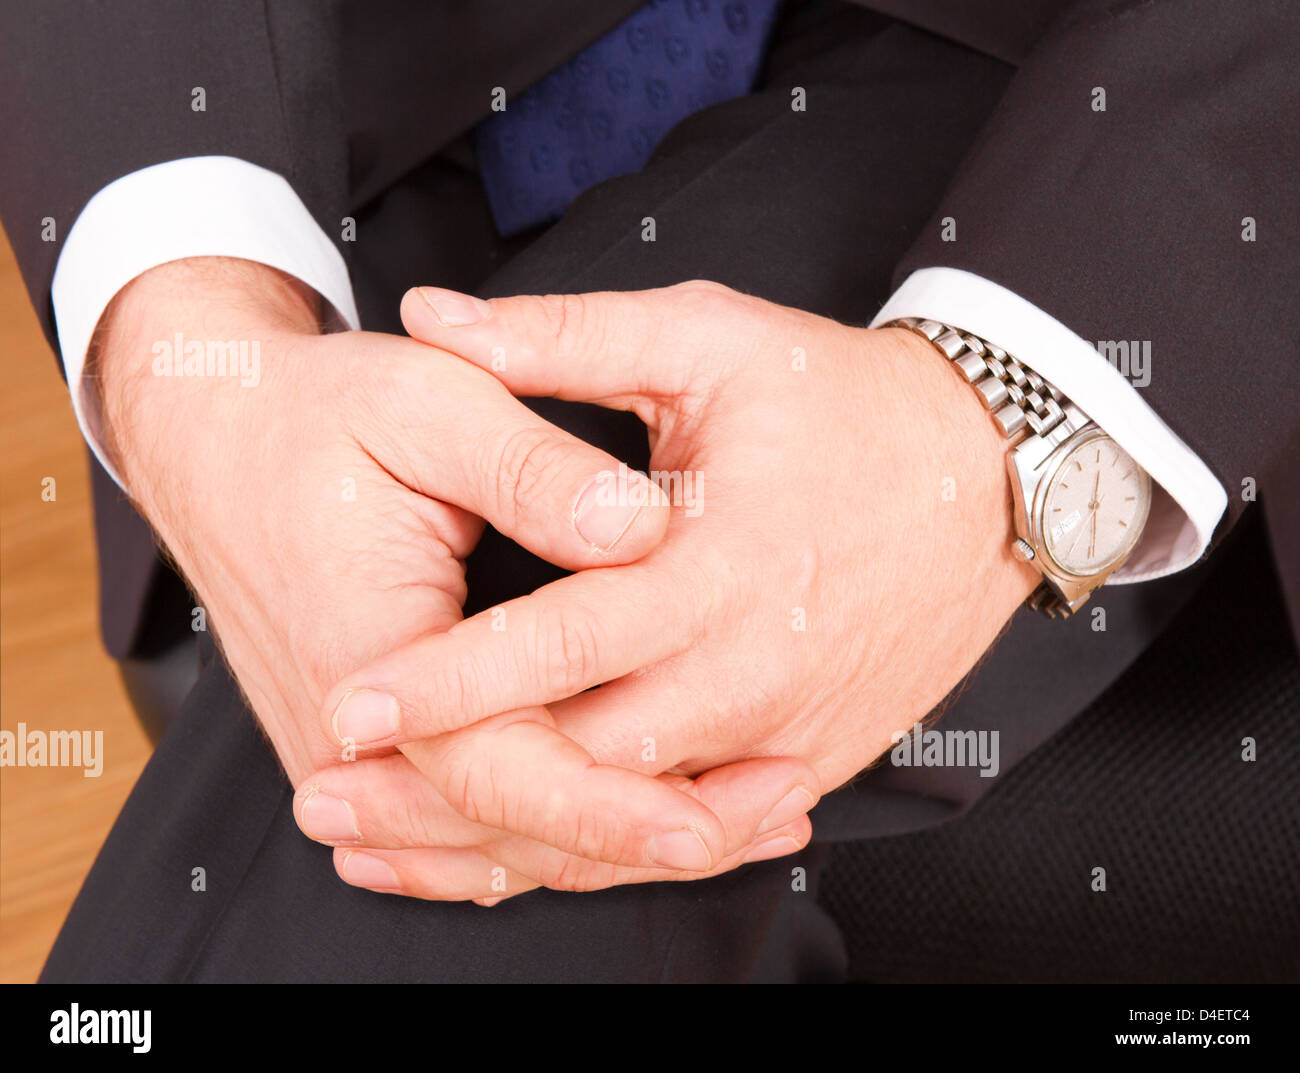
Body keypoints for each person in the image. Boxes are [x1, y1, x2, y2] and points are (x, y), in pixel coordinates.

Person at [2, 0, 1296, 982]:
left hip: (1125, 95)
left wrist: (1009, 419)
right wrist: (188, 323)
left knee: (475, 778)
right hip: (361, 105)